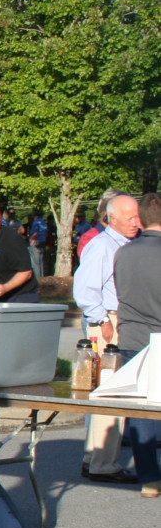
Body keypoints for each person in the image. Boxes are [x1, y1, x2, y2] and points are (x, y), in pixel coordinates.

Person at [74, 192, 141, 483]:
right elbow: (85, 289)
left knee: (108, 392)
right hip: (107, 323)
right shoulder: (102, 246)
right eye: (129, 218)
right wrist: (102, 320)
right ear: (111, 218)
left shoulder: (125, 244)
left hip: (113, 319)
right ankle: (103, 463)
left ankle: (95, 457)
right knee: (112, 393)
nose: (135, 223)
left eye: (137, 217)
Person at [117, 192, 161, 499]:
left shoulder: (124, 252)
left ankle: (149, 477)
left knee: (141, 410)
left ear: (141, 219)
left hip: (133, 337)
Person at [27, 210, 49, 278]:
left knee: (35, 264)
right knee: (41, 262)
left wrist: (31, 240)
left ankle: (37, 279)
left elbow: (35, 233)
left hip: (36, 243)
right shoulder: (43, 222)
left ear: (35, 216)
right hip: (42, 243)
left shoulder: (36, 222)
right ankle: (42, 278)